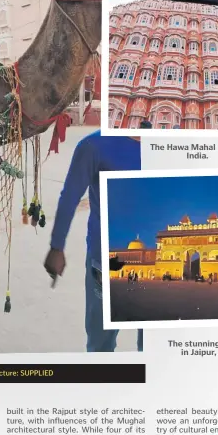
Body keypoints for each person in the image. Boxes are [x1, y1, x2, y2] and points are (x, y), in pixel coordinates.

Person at [43, 130, 144, 353]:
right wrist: (57, 246)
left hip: (158, 266)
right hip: (107, 265)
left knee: (154, 347)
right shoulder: (93, 146)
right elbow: (70, 196)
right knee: (100, 346)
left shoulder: (174, 146)